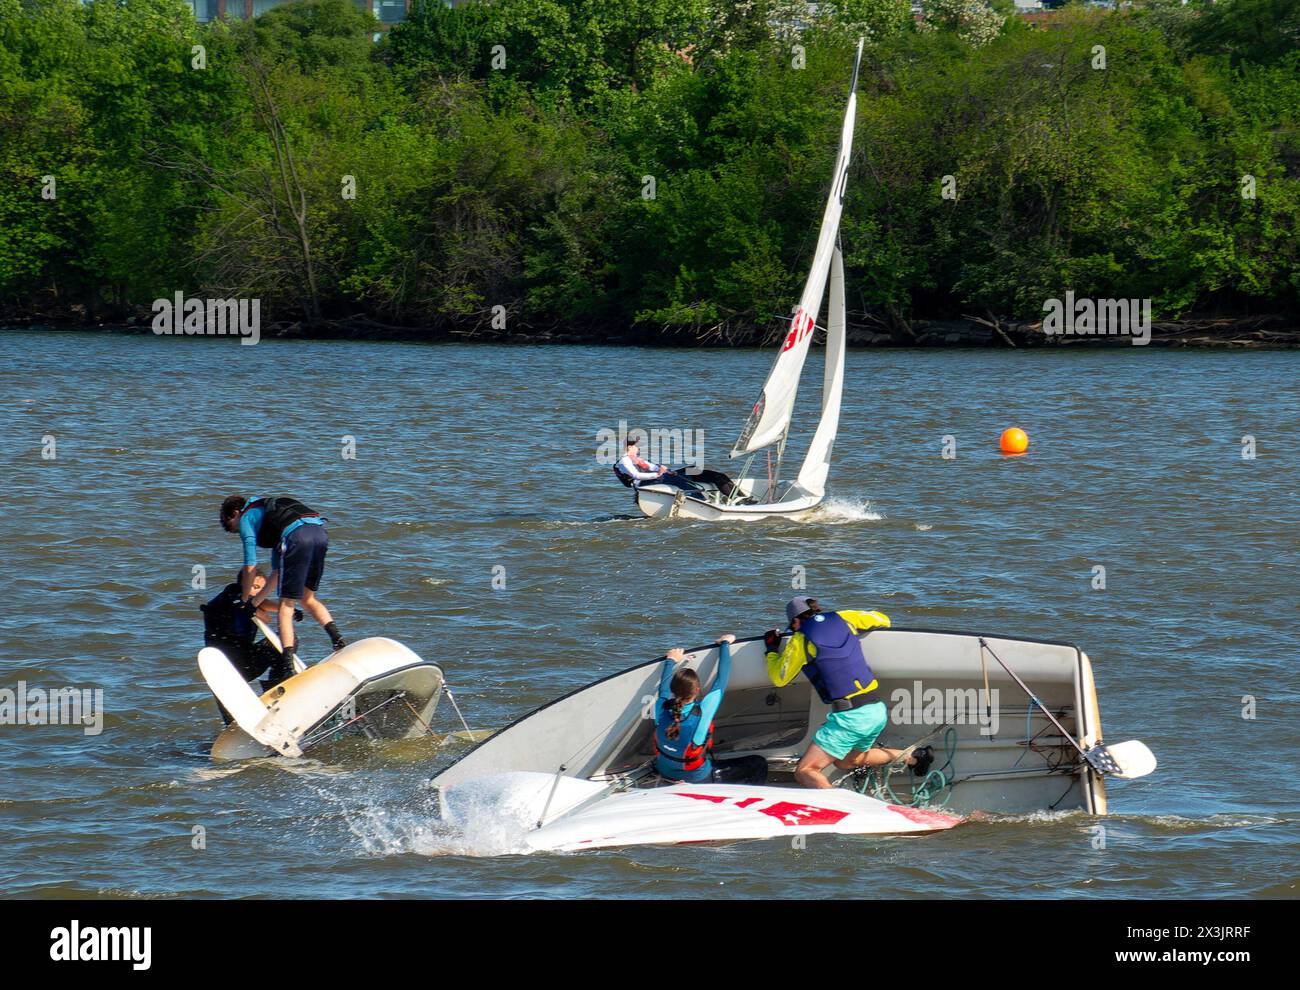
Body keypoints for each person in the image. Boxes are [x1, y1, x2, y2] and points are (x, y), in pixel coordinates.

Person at [764, 596, 933, 789]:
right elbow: (883, 619)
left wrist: (771, 649)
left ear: (795, 621)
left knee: (806, 771)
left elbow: (780, 677)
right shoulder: (845, 617)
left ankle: (842, 809)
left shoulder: (800, 640)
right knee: (847, 761)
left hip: (851, 717)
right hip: (876, 711)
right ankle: (914, 757)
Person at [218, 494, 345, 661]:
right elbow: (277, 573)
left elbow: (250, 566)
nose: (237, 531)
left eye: (232, 527)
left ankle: (287, 665)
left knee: (287, 605)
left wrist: (244, 598)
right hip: (320, 533)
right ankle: (338, 641)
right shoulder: (275, 523)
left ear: (235, 513)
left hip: (297, 538)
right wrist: (254, 603)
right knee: (308, 599)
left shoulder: (246, 518)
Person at [655, 633, 769, 785]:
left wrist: (670, 661)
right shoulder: (703, 712)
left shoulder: (661, 708)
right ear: (697, 689)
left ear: (673, 689)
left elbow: (663, 689)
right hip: (697, 778)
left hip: (665, 771)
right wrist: (724, 644)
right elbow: (722, 678)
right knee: (758, 763)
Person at [201, 569, 296, 722]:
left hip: (246, 663)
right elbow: (249, 607)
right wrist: (264, 612)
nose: (257, 593)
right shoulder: (230, 595)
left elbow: (259, 603)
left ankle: (275, 690)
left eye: (261, 590)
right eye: (254, 587)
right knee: (233, 723)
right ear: (243, 585)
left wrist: (286, 609)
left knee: (286, 641)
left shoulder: (251, 602)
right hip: (223, 672)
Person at [614, 437, 752, 503]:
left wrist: (666, 470)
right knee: (679, 479)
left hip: (658, 476)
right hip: (644, 483)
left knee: (695, 470)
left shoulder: (637, 458)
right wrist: (658, 473)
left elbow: (653, 467)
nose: (639, 448)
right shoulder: (624, 461)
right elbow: (636, 475)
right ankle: (702, 501)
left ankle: (740, 497)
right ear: (630, 447)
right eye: (636, 446)